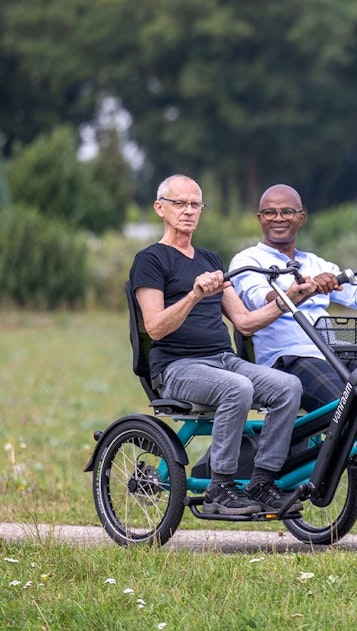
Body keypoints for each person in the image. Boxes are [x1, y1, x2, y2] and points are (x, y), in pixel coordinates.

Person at [228, 184, 357, 528]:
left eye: (287, 211)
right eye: (270, 212)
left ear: (301, 217)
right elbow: (262, 300)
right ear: (260, 218)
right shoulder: (249, 261)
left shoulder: (316, 262)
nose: (278, 218)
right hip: (288, 360)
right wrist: (305, 289)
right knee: (346, 404)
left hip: (332, 351)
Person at [130, 174, 304, 516]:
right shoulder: (150, 260)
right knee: (237, 388)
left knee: (289, 387)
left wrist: (287, 300)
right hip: (177, 368)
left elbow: (244, 321)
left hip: (223, 360)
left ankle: (262, 481)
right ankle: (220, 487)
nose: (188, 211)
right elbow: (155, 328)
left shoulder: (210, 260)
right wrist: (194, 295)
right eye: (180, 203)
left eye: (195, 204)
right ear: (160, 208)